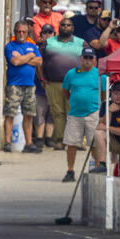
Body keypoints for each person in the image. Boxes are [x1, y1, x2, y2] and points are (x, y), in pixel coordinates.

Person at [40, 17, 85, 151]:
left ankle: (76, 142)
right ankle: (60, 141)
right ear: (59, 27)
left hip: (75, 84)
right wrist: (42, 78)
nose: (65, 27)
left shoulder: (81, 43)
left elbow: (90, 61)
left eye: (68, 25)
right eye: (63, 25)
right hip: (54, 83)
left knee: (75, 113)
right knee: (58, 113)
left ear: (73, 28)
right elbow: (38, 61)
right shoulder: (48, 43)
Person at [59, 48, 102, 183]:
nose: (88, 60)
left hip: (93, 113)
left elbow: (104, 94)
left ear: (95, 60)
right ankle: (70, 171)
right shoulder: (71, 74)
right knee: (71, 144)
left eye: (90, 58)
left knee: (94, 144)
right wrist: (75, 100)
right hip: (75, 114)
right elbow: (65, 91)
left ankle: (97, 169)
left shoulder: (100, 75)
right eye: (85, 58)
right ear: (81, 58)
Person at [2, 21, 41, 153]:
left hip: (30, 85)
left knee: (28, 115)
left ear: (27, 32)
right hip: (14, 85)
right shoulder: (10, 46)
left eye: (23, 32)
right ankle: (7, 142)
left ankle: (29, 143)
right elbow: (15, 62)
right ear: (15, 31)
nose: (21, 34)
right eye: (18, 31)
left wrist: (24, 57)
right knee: (10, 114)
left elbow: (39, 61)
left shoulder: (32, 46)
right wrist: (30, 57)